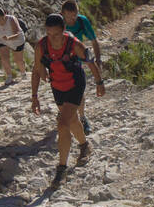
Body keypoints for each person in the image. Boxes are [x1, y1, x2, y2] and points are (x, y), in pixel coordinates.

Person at [32, 13, 104, 189]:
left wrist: (99, 82)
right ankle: (85, 145)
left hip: (75, 84)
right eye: (49, 34)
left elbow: (90, 62)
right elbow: (36, 70)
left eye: (56, 34)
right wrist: (34, 97)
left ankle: (61, 169)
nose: (52, 38)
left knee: (62, 123)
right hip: (57, 86)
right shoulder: (41, 46)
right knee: (71, 121)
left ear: (63, 31)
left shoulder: (74, 44)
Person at [61, 0, 105, 135]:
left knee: (79, 90)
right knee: (62, 90)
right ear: (62, 14)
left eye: (74, 15)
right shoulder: (58, 22)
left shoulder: (82, 21)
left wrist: (98, 59)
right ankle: (66, 113)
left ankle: (82, 117)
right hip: (60, 60)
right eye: (68, 16)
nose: (71, 19)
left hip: (76, 58)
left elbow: (93, 40)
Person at [0, 8, 27, 84]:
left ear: (4, 16)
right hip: (3, 40)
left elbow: (17, 34)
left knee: (18, 60)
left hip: (16, 41)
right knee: (4, 58)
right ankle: (9, 76)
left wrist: (9, 38)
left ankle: (23, 73)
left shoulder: (11, 19)